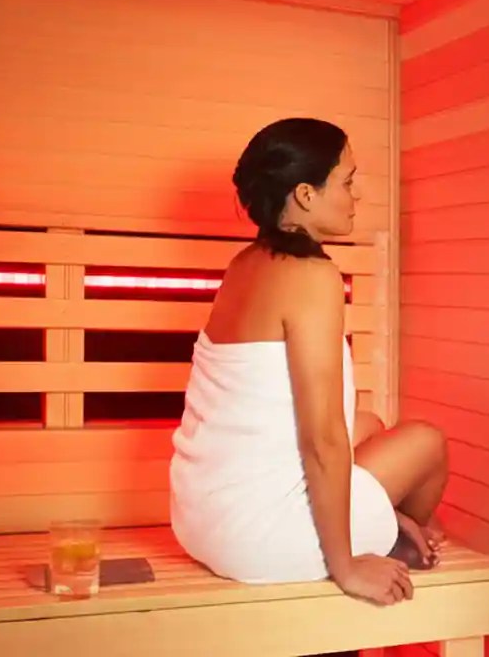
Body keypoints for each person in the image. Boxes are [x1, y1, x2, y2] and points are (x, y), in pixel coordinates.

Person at [169, 118, 449, 607]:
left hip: (202, 516)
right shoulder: (312, 278)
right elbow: (322, 438)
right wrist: (346, 568)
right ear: (305, 194)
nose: (355, 195)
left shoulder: (245, 265)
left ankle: (388, 522)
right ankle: (395, 537)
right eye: (346, 180)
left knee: (371, 423)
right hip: (261, 537)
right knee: (426, 442)